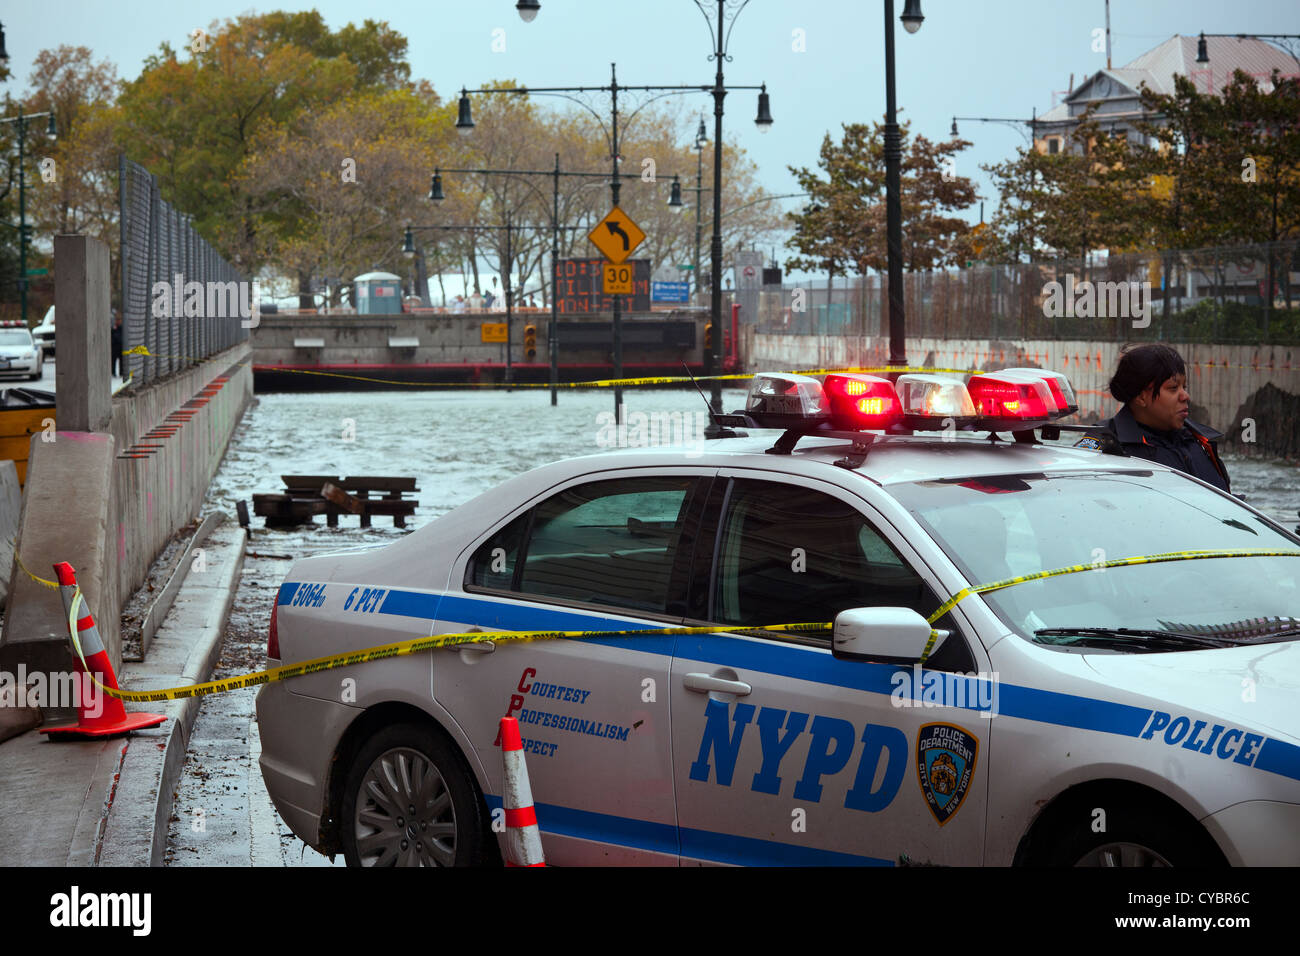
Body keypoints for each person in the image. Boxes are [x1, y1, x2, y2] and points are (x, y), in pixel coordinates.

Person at [1075, 343, 1230, 492]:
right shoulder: (1105, 445)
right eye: (1173, 388)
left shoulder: (1198, 440)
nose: (1185, 396)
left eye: (1184, 387)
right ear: (1141, 397)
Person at [110, 310, 122, 377]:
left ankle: (121, 373)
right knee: (113, 360)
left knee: (121, 360)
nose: (118, 321)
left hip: (120, 347)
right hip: (114, 347)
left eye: (119, 320)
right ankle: (113, 372)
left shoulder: (122, 328)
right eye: (117, 320)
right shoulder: (114, 329)